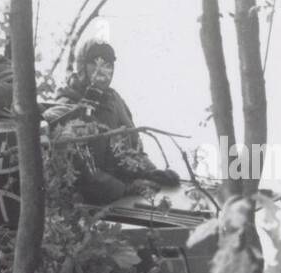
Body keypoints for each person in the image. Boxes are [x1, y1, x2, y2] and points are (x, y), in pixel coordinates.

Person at [43, 37, 179, 204]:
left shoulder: (113, 101)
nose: (103, 71)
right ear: (81, 68)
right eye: (95, 63)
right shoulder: (67, 108)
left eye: (108, 65)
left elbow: (132, 147)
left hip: (120, 196)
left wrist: (150, 172)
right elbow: (81, 172)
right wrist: (124, 188)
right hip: (88, 203)